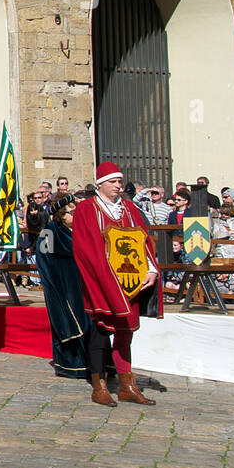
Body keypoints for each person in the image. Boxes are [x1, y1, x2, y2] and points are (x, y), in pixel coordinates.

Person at [72, 161, 161, 407]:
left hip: (129, 281)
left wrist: (151, 269)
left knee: (125, 333)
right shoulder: (87, 210)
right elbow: (85, 248)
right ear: (100, 184)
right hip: (101, 280)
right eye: (113, 182)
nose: (118, 186)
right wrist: (105, 276)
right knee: (101, 332)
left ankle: (126, 385)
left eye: (120, 182)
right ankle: (99, 386)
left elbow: (143, 243)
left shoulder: (130, 210)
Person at [35, 195, 91, 379]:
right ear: (61, 214)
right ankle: (71, 365)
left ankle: (94, 364)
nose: (75, 215)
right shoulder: (50, 231)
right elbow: (43, 261)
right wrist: (53, 288)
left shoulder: (80, 231)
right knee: (70, 322)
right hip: (63, 285)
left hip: (81, 284)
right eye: (71, 212)